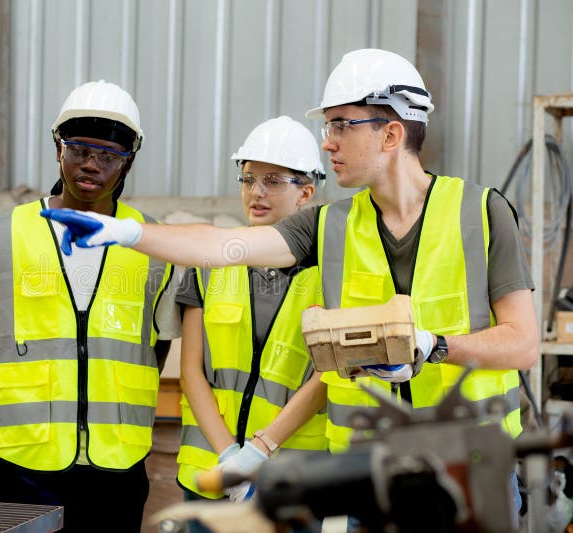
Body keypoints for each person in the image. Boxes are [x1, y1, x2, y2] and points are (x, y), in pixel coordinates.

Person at [41, 49, 539, 526]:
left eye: (342, 124)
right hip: (370, 476)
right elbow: (223, 246)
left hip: (468, 469)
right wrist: (130, 233)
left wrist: (435, 347)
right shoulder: (328, 225)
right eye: (329, 126)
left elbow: (522, 343)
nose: (327, 142)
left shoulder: (481, 212)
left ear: (390, 133)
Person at [0, 80, 181, 533]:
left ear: (127, 161)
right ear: (59, 148)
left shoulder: (152, 242)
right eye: (79, 149)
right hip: (23, 468)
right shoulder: (2, 235)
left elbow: (153, 349)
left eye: (109, 155)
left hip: (117, 469)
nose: (92, 165)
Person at [175, 117, 329, 532]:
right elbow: (191, 372)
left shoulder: (330, 274)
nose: (256, 192)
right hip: (211, 477)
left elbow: (325, 378)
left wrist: (259, 453)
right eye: (248, 179)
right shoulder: (209, 263)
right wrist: (230, 458)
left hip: (291, 483)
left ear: (306, 192)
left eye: (274, 181)